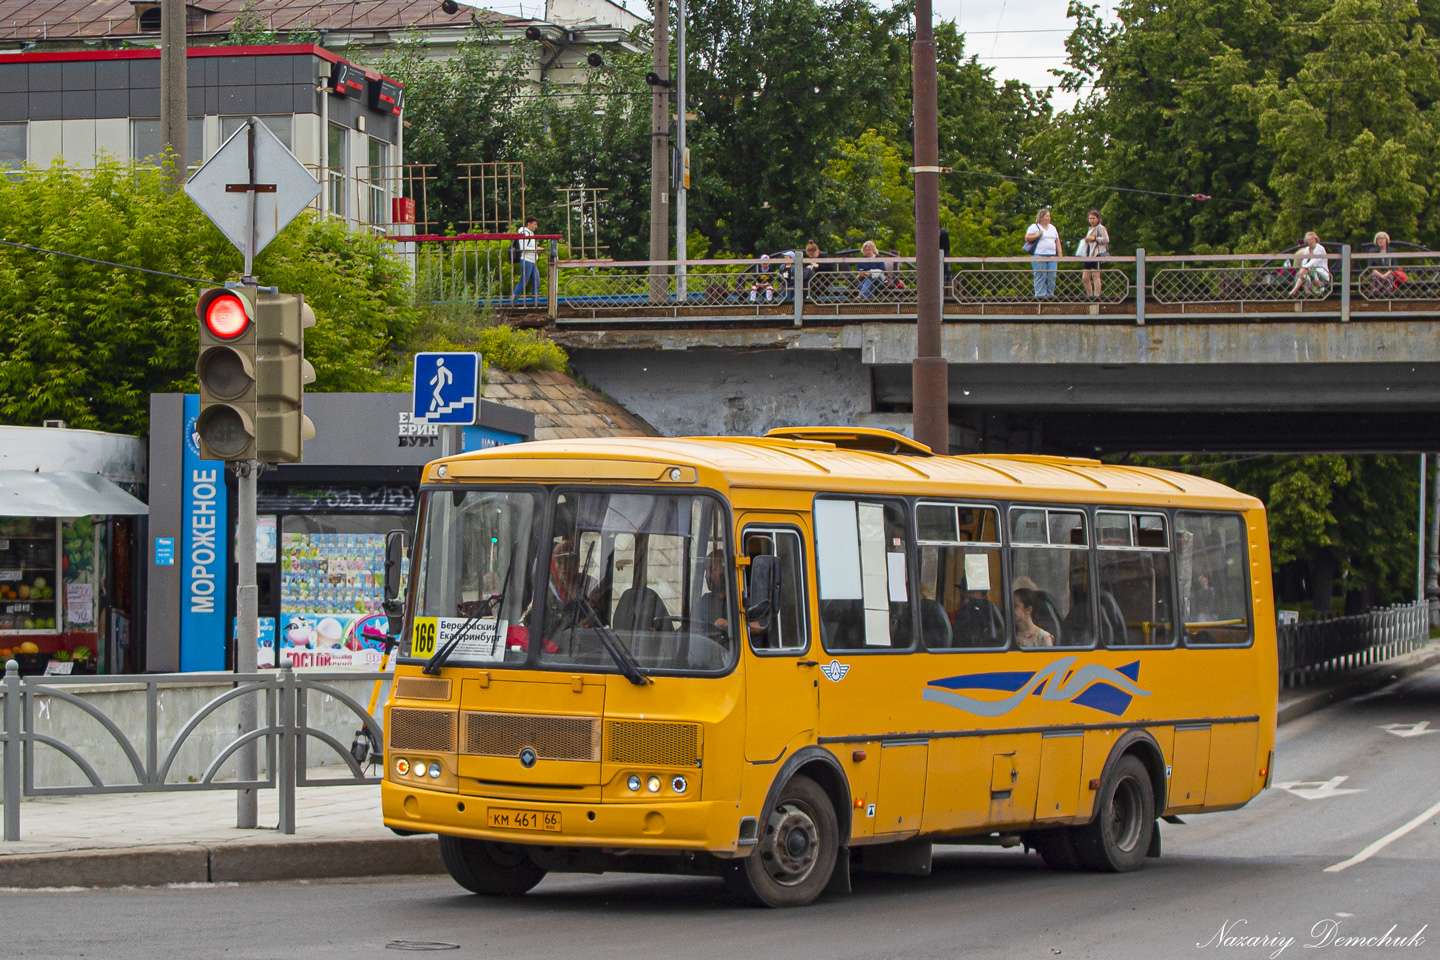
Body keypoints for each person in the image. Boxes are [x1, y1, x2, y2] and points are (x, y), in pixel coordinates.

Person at [1025, 209, 1060, 297]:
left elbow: (1057, 240)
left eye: (1049, 216)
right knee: (1040, 276)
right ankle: (1040, 296)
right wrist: (1038, 235)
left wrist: (1060, 254)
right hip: (1039, 255)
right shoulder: (1035, 226)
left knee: (1051, 276)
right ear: (1041, 217)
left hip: (1052, 255)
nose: (1049, 218)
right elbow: (1027, 238)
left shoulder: (1052, 227)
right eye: (1047, 216)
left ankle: (1050, 295)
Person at [1288, 231, 1329, 297]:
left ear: (1315, 239)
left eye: (1311, 239)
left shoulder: (1320, 248)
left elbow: (1314, 261)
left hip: (1321, 273)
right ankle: (1304, 293)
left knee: (1304, 272)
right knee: (1303, 273)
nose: (1310, 241)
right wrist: (1302, 268)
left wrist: (1304, 268)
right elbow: (1304, 261)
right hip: (1312, 272)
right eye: (1308, 240)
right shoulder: (1307, 249)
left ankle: (1294, 291)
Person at [511, 215, 540, 305]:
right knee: (523, 281)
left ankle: (534, 301)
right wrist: (535, 249)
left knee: (536, 281)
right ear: (529, 224)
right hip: (526, 260)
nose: (536, 226)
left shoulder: (531, 234)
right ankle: (514, 300)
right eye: (534, 224)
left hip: (532, 260)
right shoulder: (523, 233)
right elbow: (523, 247)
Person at [1080, 209, 1110, 298]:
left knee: (1095, 275)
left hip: (1096, 254)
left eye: (1093, 218)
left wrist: (1095, 238)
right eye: (1090, 218)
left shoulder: (1101, 228)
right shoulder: (1090, 229)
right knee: (1085, 277)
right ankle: (1089, 295)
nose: (1091, 220)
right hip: (1089, 255)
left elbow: (1106, 239)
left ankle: (1097, 295)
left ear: (1098, 218)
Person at [1368, 231, 1402, 297]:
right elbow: (1370, 267)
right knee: (1375, 278)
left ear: (1386, 240)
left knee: (1389, 278)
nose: (1380, 240)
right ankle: (1375, 297)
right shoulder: (1372, 251)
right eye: (1378, 239)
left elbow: (1394, 265)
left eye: (1382, 238)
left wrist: (1387, 274)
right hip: (1377, 273)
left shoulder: (1392, 251)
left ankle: (1388, 297)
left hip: (1389, 273)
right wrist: (1380, 274)